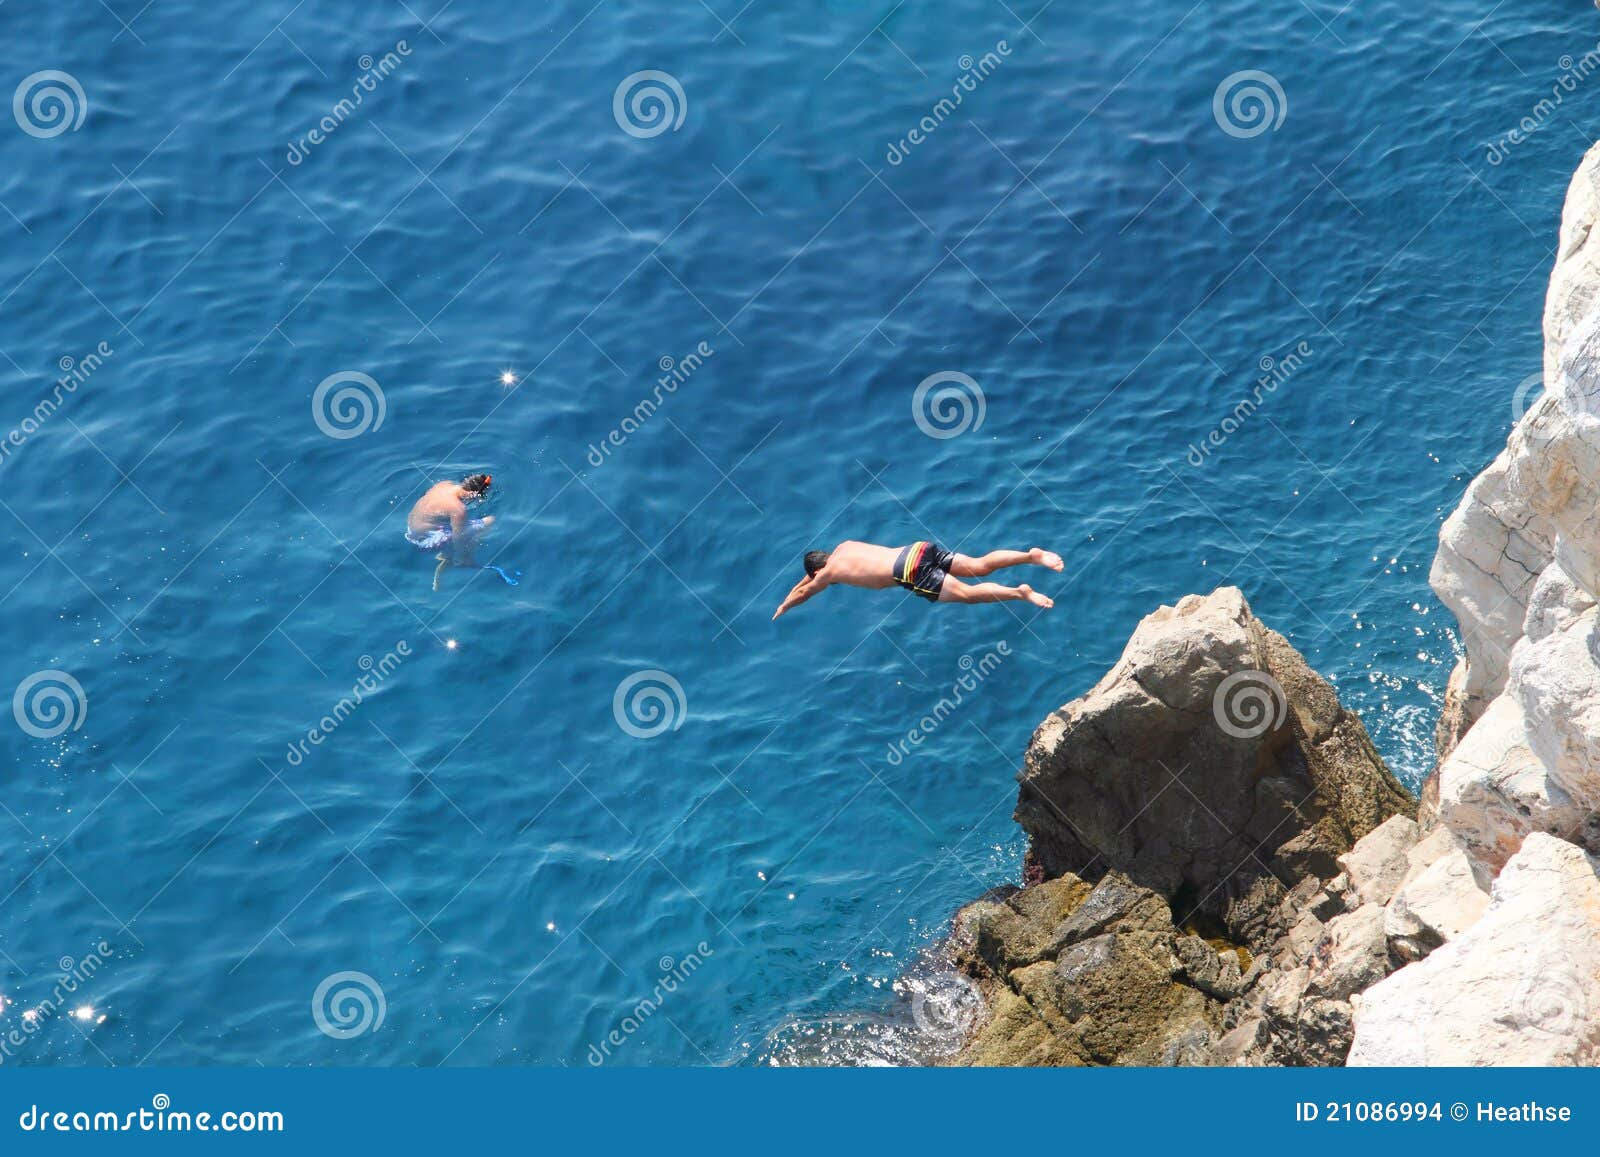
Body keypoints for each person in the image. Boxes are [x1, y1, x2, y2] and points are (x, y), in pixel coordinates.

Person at [772, 540, 1060, 620]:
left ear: (817, 572)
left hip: (908, 571)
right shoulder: (843, 547)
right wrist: (799, 584)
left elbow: (805, 592)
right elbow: (809, 578)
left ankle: (1020, 592)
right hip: (917, 549)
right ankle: (1030, 556)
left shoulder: (828, 573)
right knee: (979, 565)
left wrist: (785, 605)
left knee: (968, 595)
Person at [407, 473, 495, 589]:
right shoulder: (458, 509)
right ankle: (451, 559)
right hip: (426, 541)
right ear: (473, 494)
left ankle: (446, 553)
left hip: (411, 531)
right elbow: (459, 537)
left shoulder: (443, 484)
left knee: (456, 525)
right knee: (490, 520)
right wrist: (462, 556)